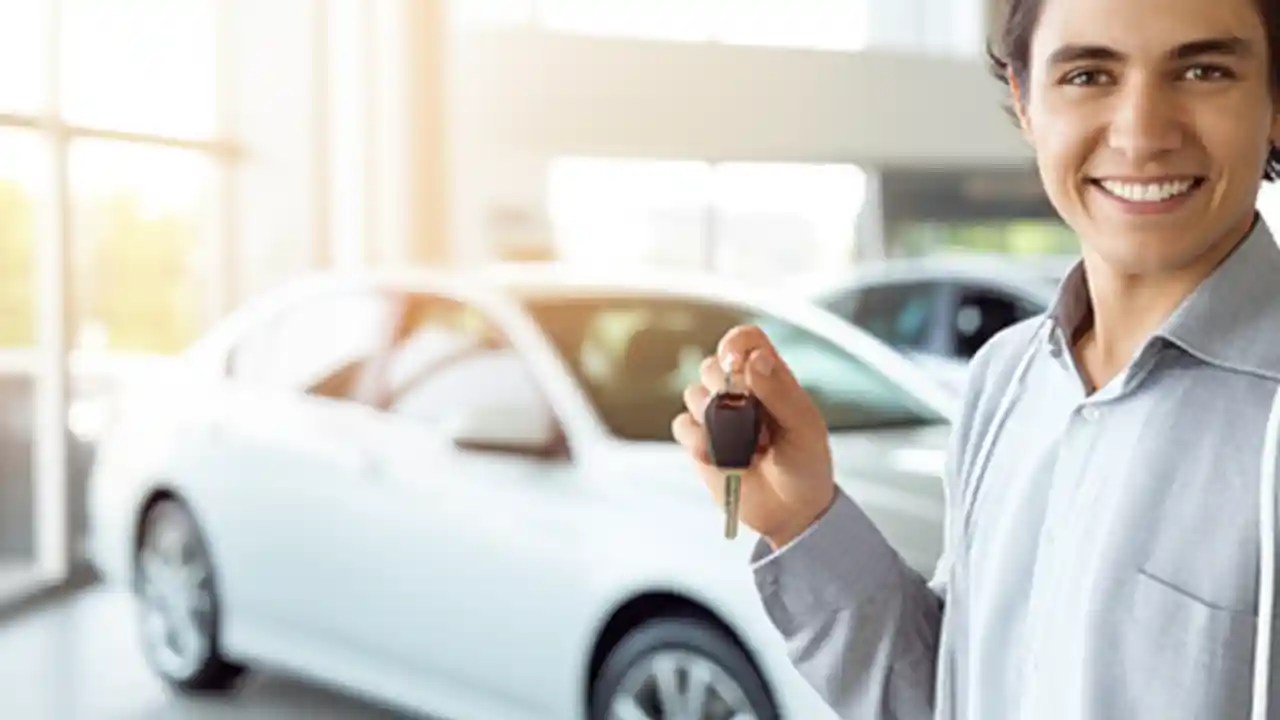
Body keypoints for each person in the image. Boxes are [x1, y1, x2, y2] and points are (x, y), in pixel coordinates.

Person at [670, 0, 1280, 717]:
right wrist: (803, 519)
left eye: (1204, 70)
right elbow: (951, 697)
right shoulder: (1005, 379)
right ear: (1025, 102)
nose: (1142, 134)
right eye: (1088, 75)